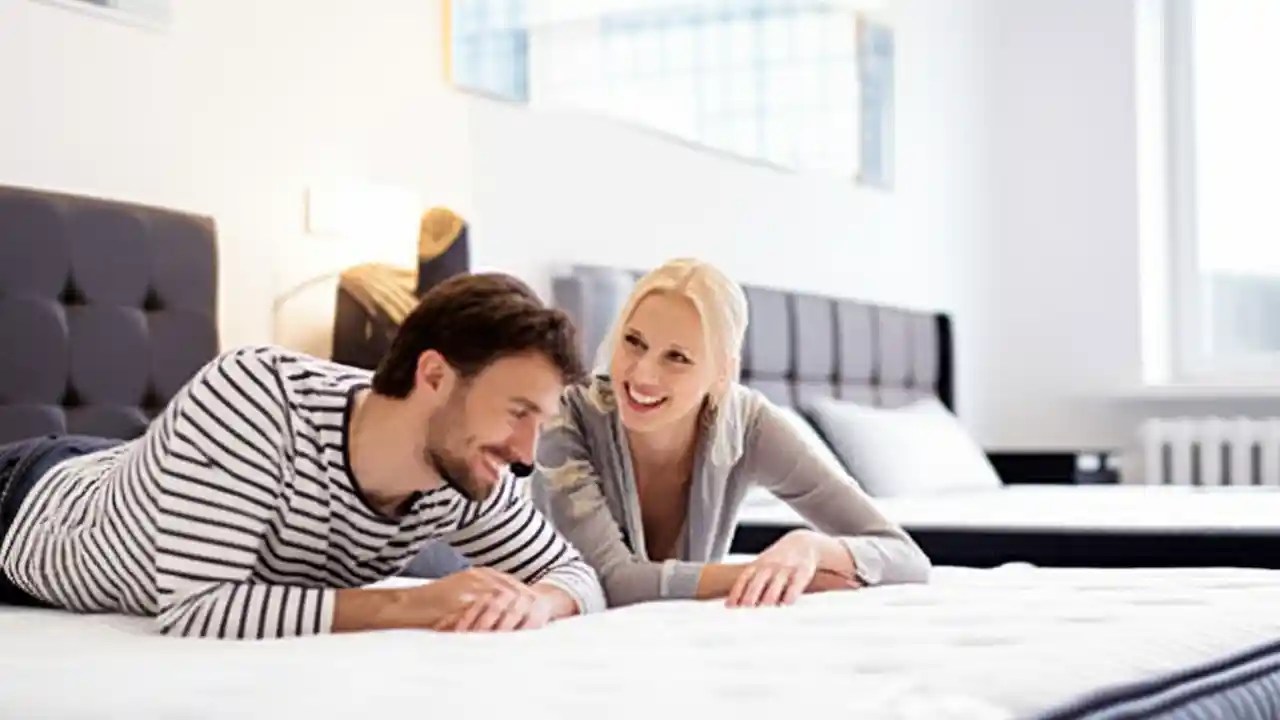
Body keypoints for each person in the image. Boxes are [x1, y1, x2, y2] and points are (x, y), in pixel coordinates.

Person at [0, 273, 605, 639]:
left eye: (539, 422)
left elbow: (579, 577)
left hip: (131, 472)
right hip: (31, 505)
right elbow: (196, 610)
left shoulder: (471, 470)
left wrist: (538, 599)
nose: (526, 454)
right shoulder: (254, 397)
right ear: (435, 375)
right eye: (516, 411)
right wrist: (414, 602)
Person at [532, 259, 931, 608]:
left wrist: (811, 547)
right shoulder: (566, 415)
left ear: (721, 372)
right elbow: (614, 582)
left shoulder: (746, 422)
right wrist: (764, 574)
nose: (642, 374)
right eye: (634, 343)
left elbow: (907, 557)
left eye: (677, 357)